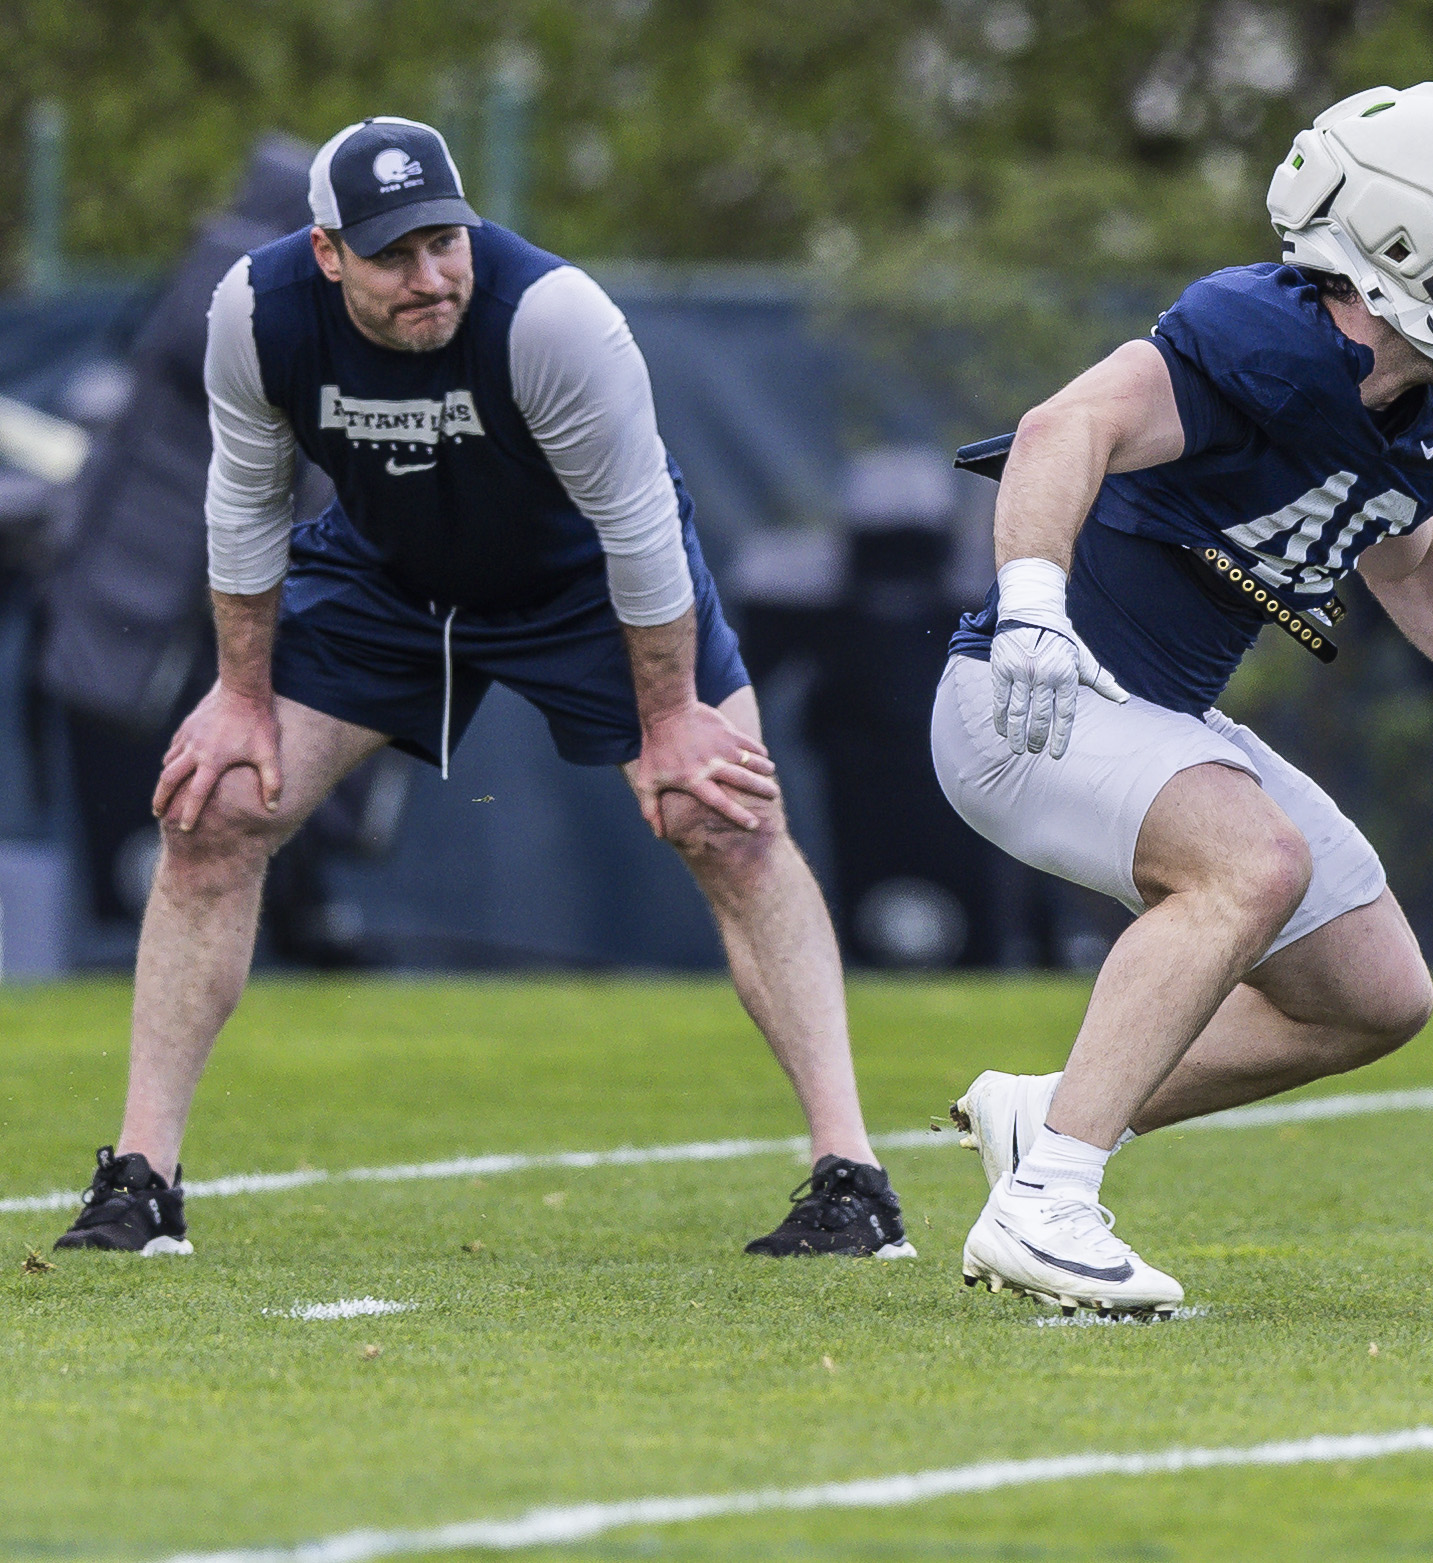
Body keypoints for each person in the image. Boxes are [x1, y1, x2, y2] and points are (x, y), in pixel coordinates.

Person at [52, 117, 911, 1261]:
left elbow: (643, 533)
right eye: (393, 255)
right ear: (326, 253)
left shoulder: (552, 317)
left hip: (584, 585)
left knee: (729, 818)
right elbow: (244, 507)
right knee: (213, 811)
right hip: (383, 578)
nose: (429, 276)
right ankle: (142, 1182)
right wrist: (241, 696)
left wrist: (667, 725)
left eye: (442, 242)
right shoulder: (252, 313)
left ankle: (852, 1182)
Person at [933, 83, 1433, 1315]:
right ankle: (1049, 1201)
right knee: (1252, 863)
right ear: (1399, 245)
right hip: (1034, 697)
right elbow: (1064, 425)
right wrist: (1032, 604)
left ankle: (1041, 1118)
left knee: (1373, 996)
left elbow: (1412, 559)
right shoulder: (1254, 341)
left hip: (1159, 714)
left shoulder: (1426, 415)